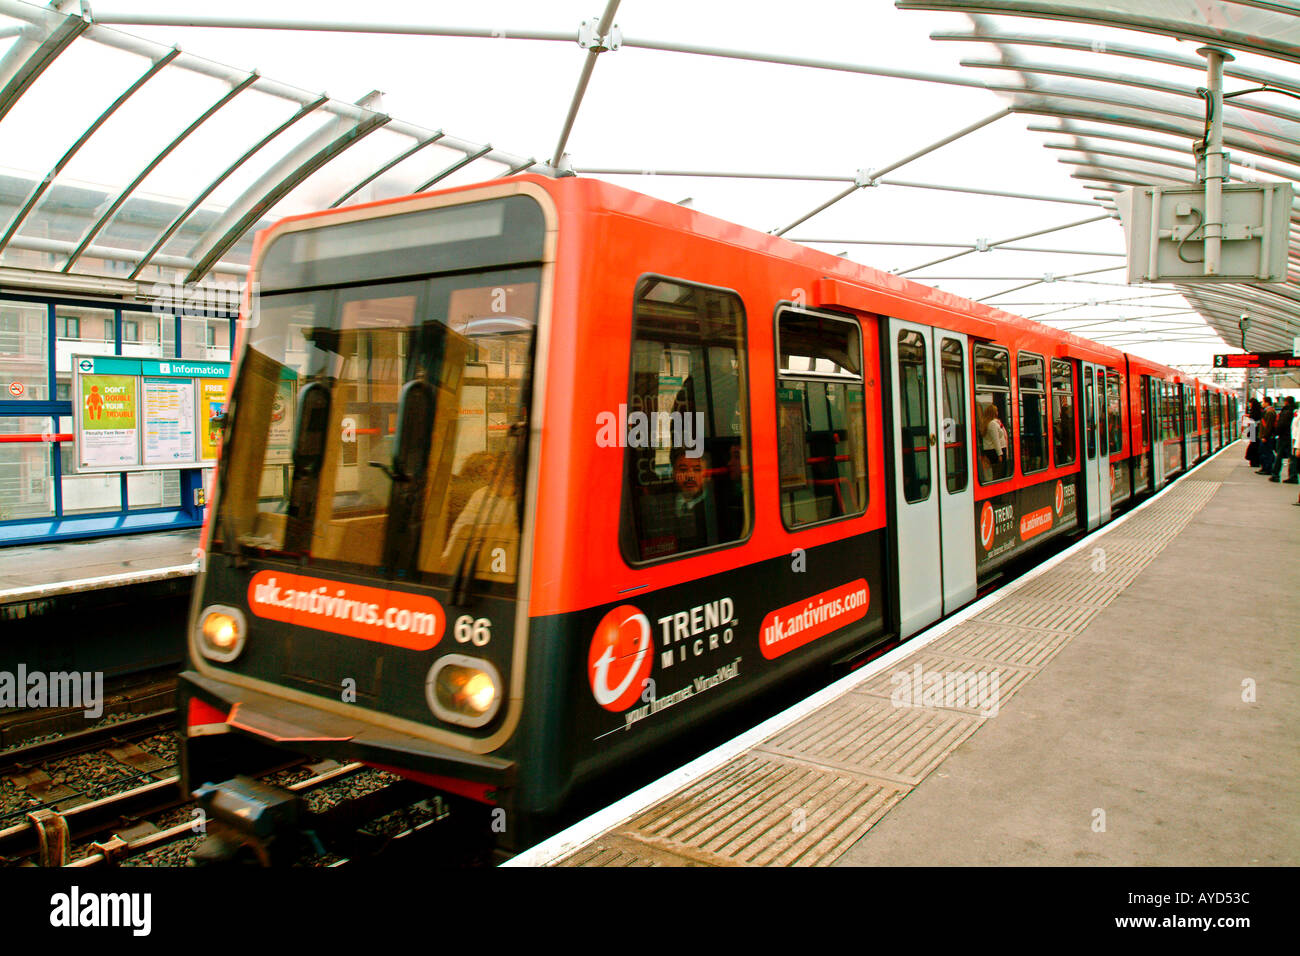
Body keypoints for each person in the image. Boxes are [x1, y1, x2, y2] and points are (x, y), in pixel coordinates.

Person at [979, 402, 1008, 479]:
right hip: (996, 450)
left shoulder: (988, 423)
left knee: (996, 471)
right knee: (999, 471)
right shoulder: (992, 424)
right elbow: (996, 440)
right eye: (996, 411)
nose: (997, 412)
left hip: (991, 450)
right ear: (993, 413)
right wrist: (1000, 454)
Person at [1270, 397, 1295, 482]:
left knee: (1279, 456)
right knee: (1292, 458)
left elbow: (1281, 425)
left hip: (1283, 437)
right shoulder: (1294, 412)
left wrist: (1275, 434)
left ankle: (1275, 475)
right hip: (1291, 437)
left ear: (1286, 402)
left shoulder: (1285, 412)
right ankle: (1293, 476)